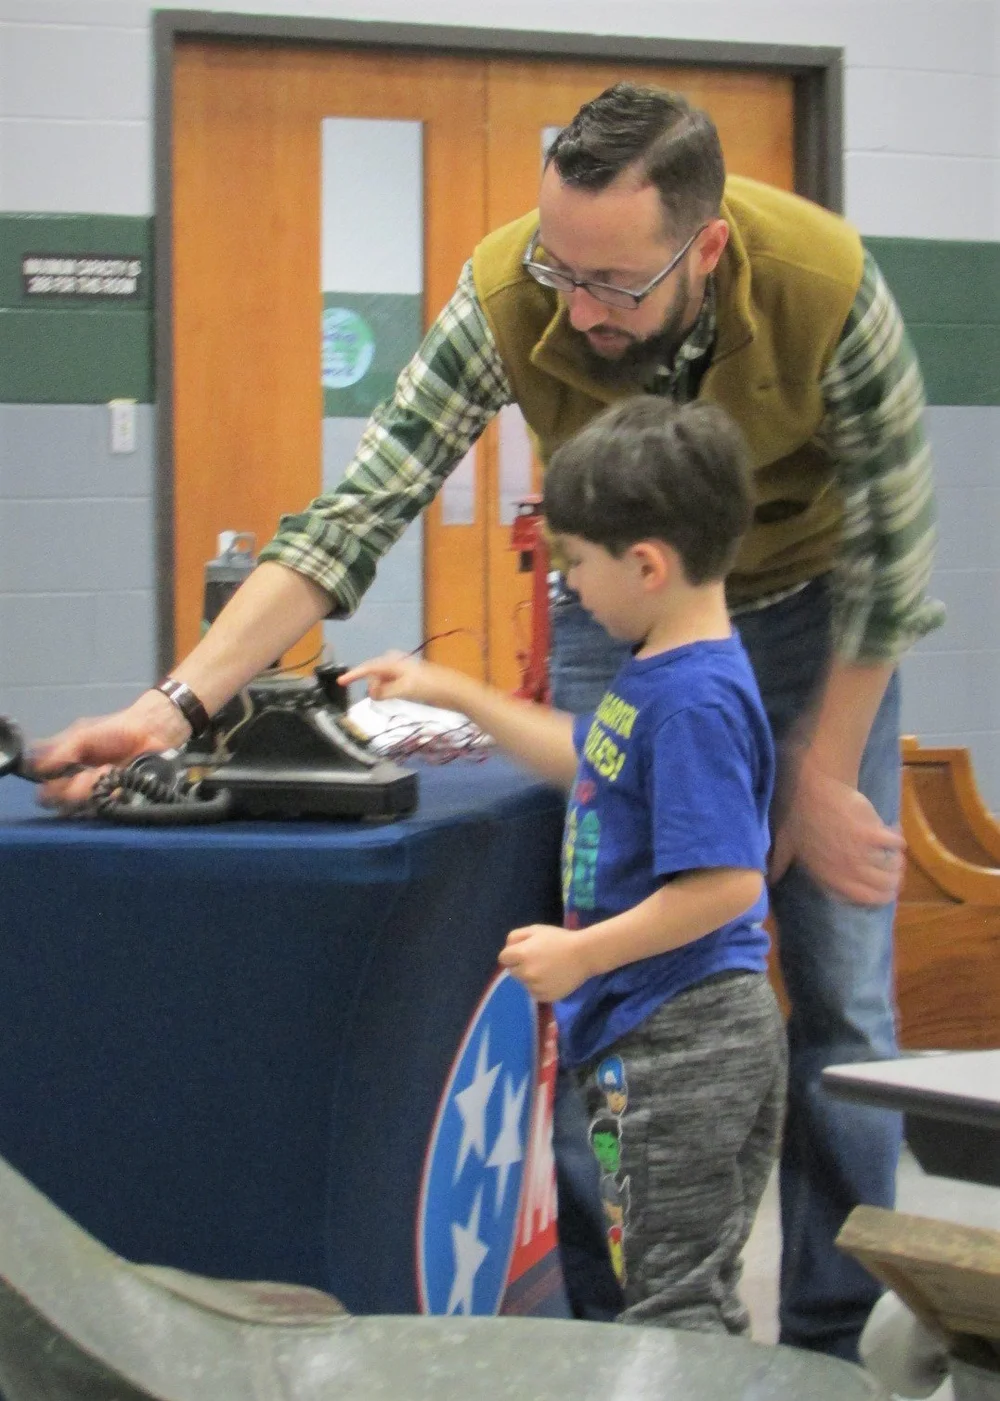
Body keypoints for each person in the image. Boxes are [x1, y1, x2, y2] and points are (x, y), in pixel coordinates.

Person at [37, 82, 943, 1360]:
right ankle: (600, 1329)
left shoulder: (827, 287)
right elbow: (359, 510)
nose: (576, 308)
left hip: (816, 606)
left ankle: (837, 1341)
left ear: (708, 249)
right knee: (597, 958)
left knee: (842, 994)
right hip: (616, 605)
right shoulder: (509, 290)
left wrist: (819, 771)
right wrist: (172, 705)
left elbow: (899, 571)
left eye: (615, 285)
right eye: (555, 266)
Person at [342, 396, 788, 1333]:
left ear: (648, 564)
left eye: (574, 564)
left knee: (674, 1306)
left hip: (686, 1037)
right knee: (670, 1290)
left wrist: (588, 955)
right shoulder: (664, 666)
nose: (568, 586)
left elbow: (728, 883)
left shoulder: (694, 699)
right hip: (659, 1027)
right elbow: (587, 750)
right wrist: (455, 691)